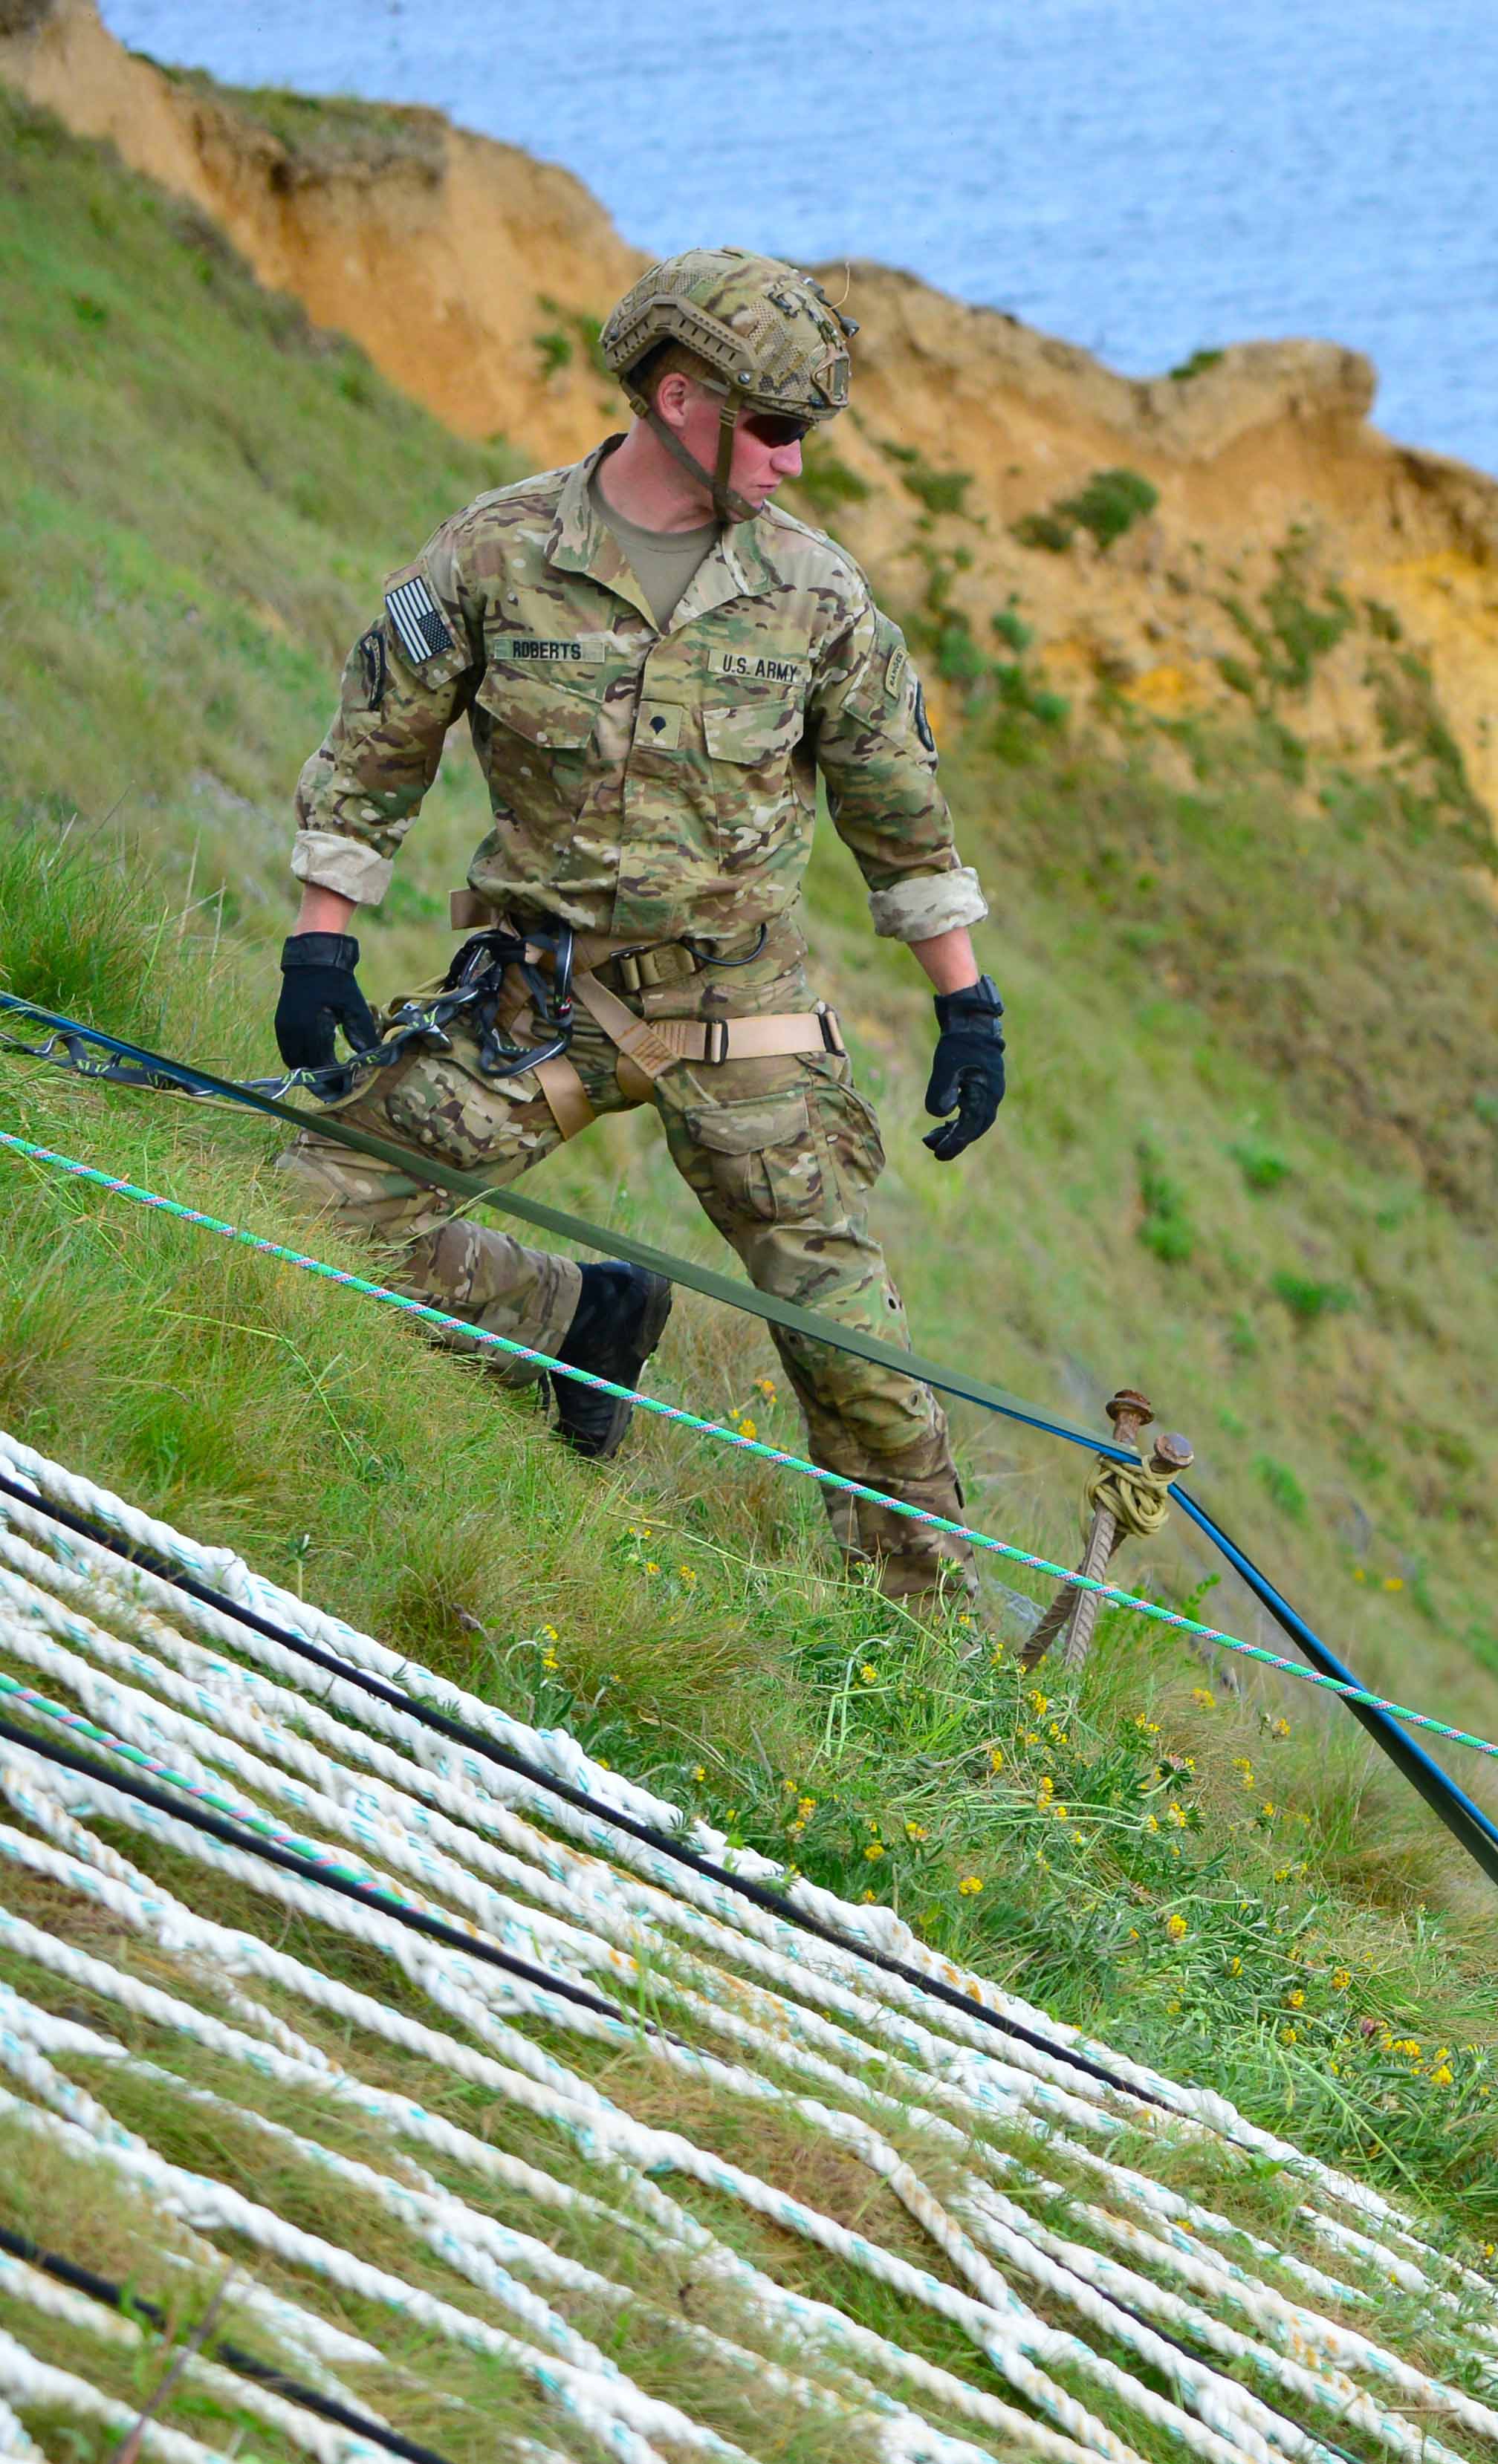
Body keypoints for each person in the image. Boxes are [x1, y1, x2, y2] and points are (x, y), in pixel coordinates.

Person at [268, 247, 1002, 1598]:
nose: (794, 460)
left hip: (743, 1012)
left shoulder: (818, 597)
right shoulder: (496, 554)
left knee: (848, 1345)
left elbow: (899, 811)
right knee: (300, 1209)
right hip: (535, 1002)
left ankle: (929, 1649)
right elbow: (378, 747)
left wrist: (967, 1007)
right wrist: (322, 943)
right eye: (776, 427)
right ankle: (564, 1324)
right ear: (681, 400)